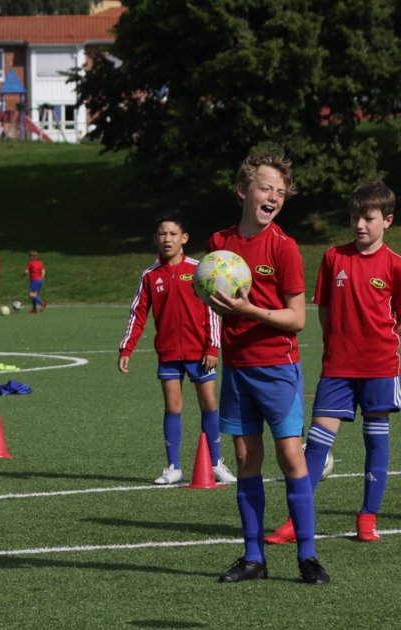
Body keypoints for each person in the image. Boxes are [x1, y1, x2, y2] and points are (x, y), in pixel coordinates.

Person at [205, 152, 326, 585]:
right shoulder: (219, 245)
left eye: (280, 191)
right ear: (243, 191)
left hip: (278, 366)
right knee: (244, 457)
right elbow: (213, 303)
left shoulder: (284, 247)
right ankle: (253, 557)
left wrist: (249, 309)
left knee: (291, 456)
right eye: (265, 187)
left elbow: (297, 318)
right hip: (238, 369)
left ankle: (307, 555)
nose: (273, 196)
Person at [263, 181, 401, 546]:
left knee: (376, 441)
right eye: (354, 217)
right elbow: (324, 310)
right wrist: (339, 345)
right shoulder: (333, 258)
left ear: (387, 220)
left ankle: (367, 517)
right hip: (338, 368)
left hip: (380, 368)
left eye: (368, 218)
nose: (359, 225)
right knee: (318, 442)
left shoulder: (395, 265)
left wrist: (381, 348)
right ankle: (297, 520)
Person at [118, 211, 233, 485]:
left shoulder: (199, 270)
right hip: (169, 355)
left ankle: (215, 462)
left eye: (172, 234)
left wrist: (213, 347)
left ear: (184, 238)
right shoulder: (150, 275)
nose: (167, 239)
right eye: (162, 234)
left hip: (200, 354)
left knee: (209, 404)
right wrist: (126, 349)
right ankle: (174, 467)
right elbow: (138, 314)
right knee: (173, 407)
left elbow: (213, 310)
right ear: (155, 239)